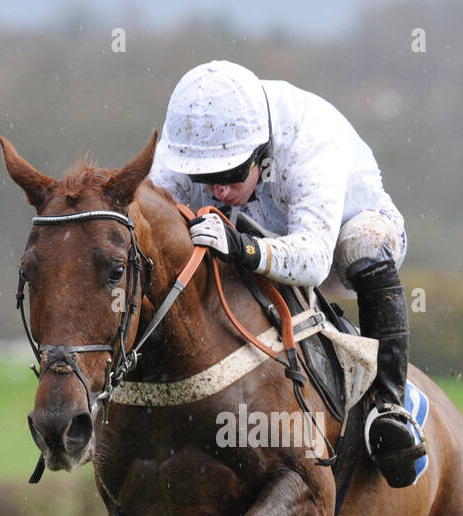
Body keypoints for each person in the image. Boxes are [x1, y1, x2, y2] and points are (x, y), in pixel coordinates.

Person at [149, 60, 426, 488]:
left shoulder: (310, 142)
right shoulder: (188, 148)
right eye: (205, 178)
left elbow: (314, 260)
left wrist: (242, 247)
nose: (218, 190)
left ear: (262, 152)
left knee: (363, 245)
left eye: (229, 175)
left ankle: (390, 406)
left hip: (338, 237)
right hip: (255, 228)